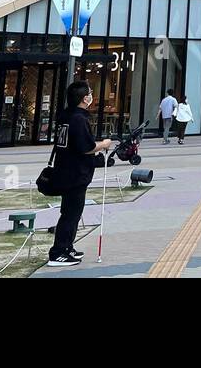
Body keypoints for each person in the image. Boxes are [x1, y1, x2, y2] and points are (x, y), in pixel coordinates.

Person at [48, 80, 113, 266]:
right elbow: (87, 147)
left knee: (71, 212)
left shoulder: (65, 116)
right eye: (90, 92)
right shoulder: (78, 118)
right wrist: (104, 144)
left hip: (65, 169)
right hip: (75, 172)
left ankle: (67, 247)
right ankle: (58, 252)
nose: (92, 95)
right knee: (71, 213)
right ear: (85, 98)